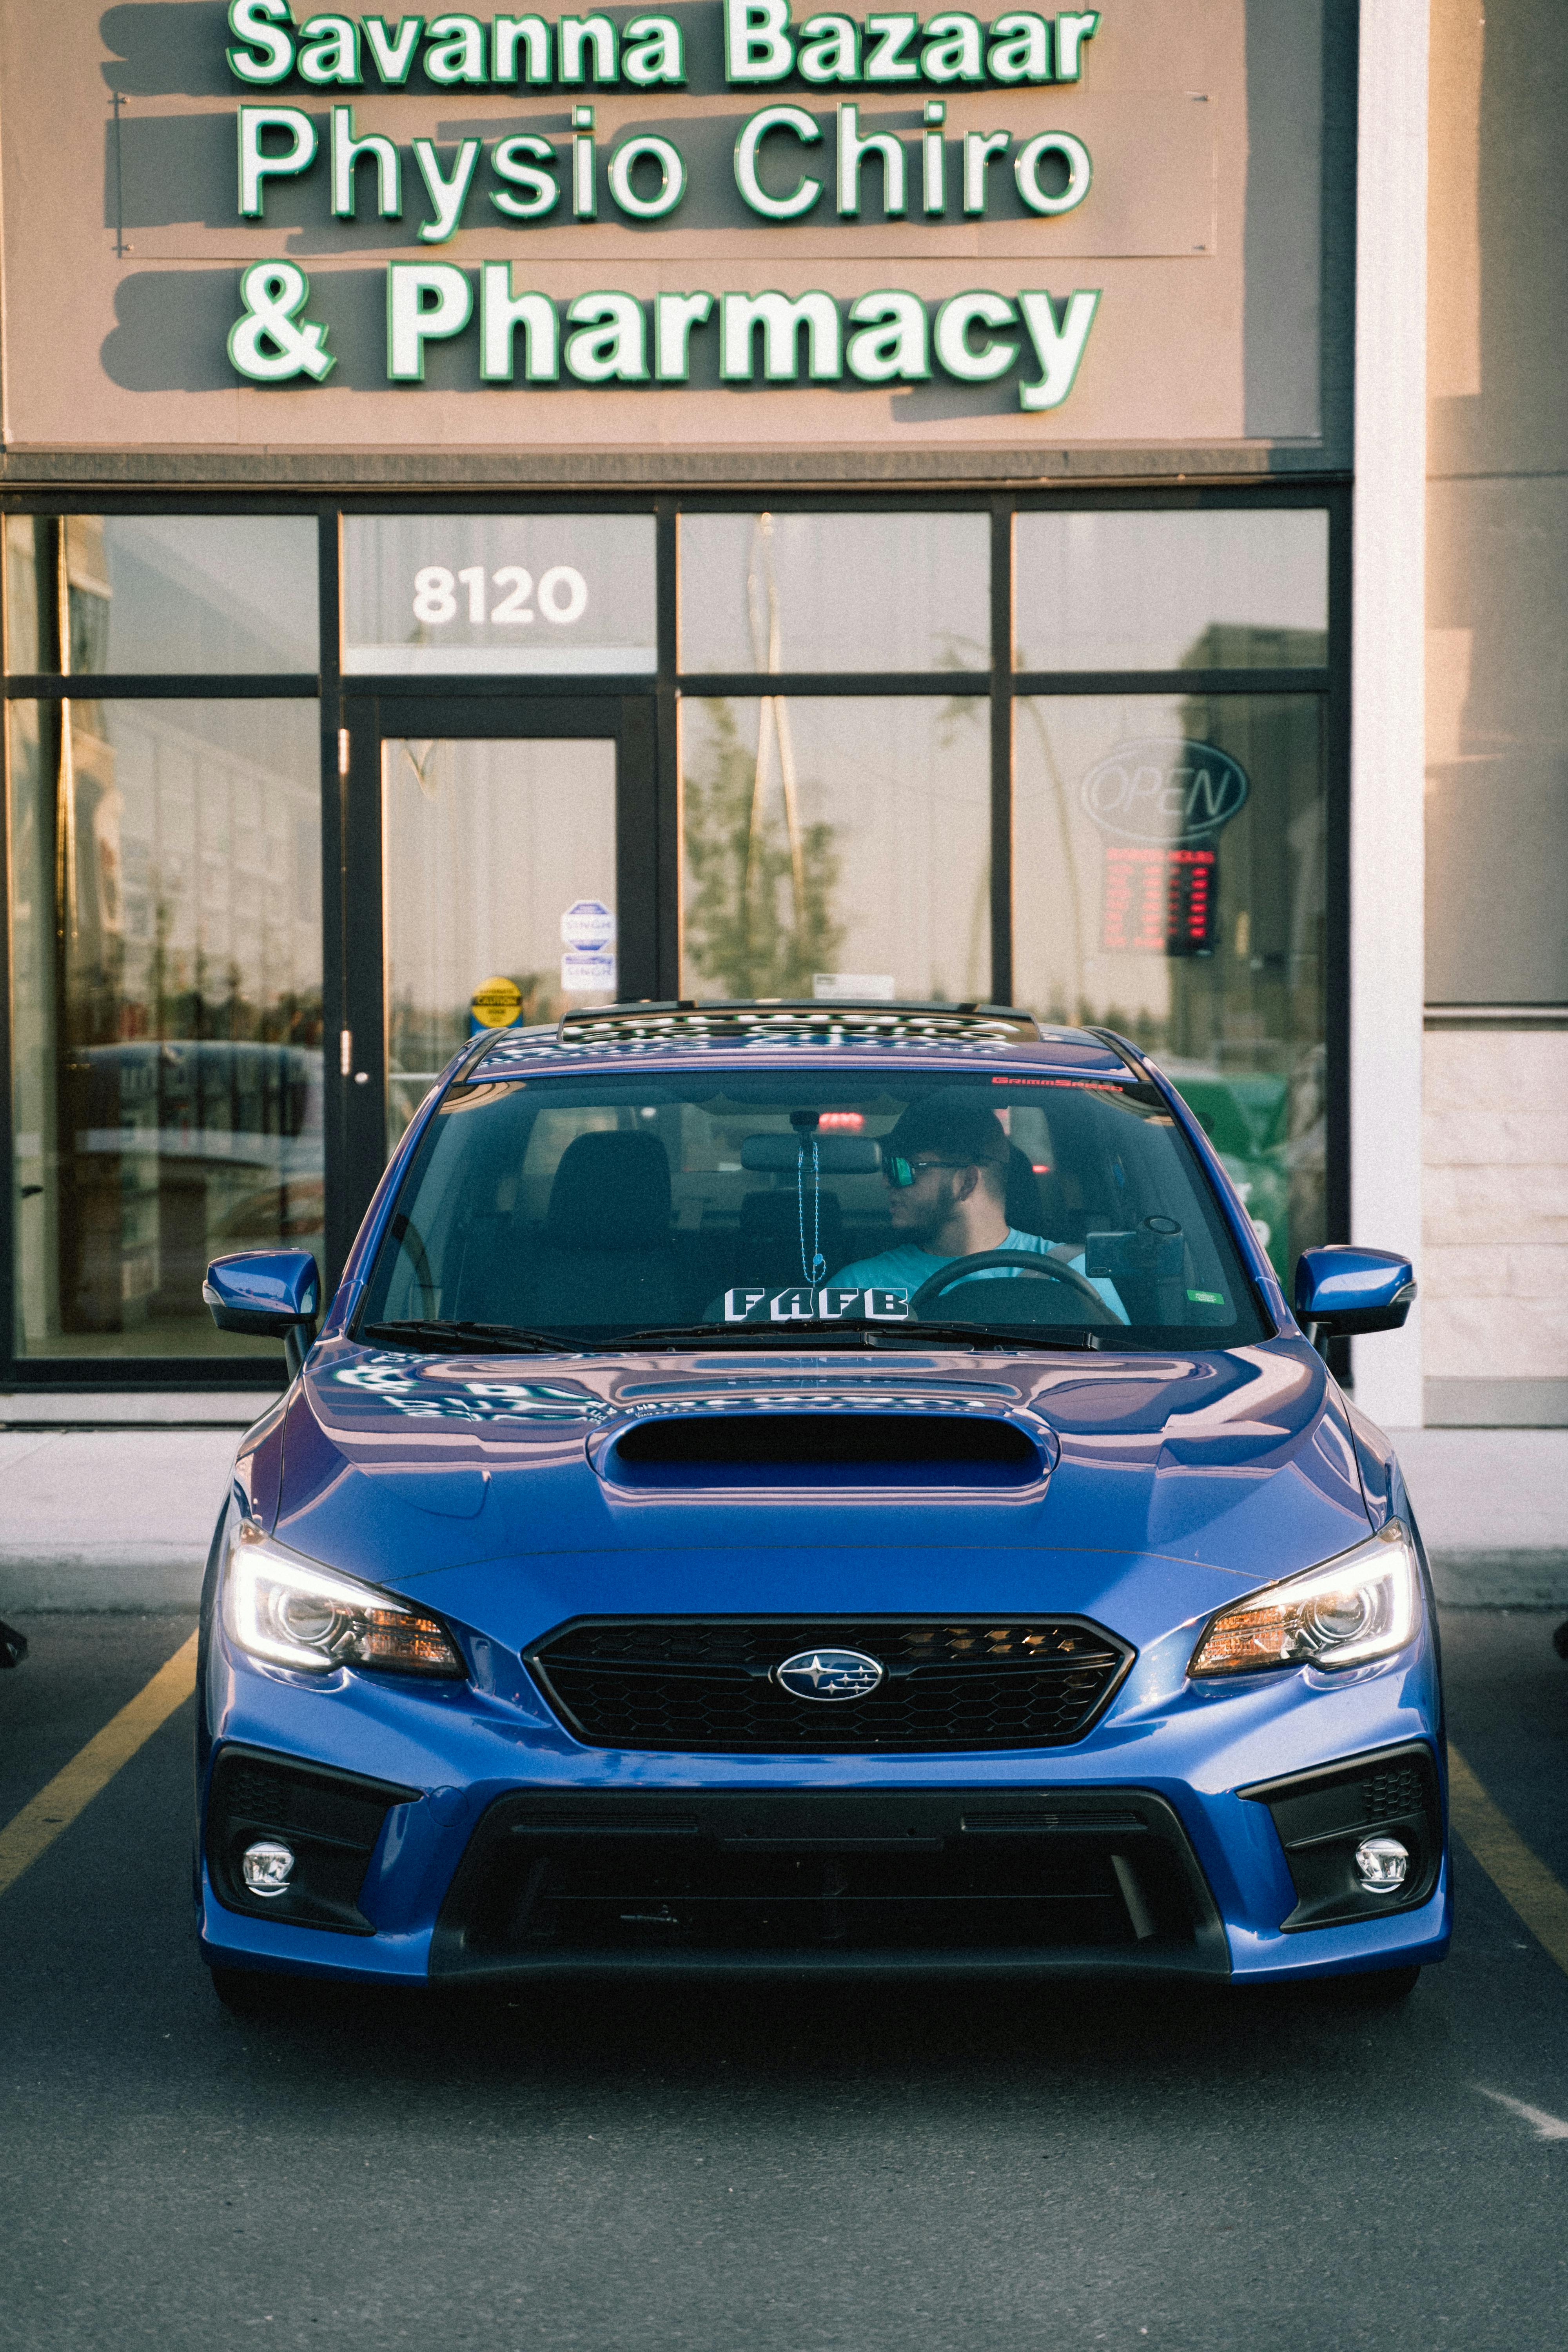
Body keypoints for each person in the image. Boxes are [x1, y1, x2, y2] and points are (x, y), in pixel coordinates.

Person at [830, 1097, 1126, 1321]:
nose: (885, 1183)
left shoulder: (1071, 1274)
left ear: (968, 1182)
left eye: (902, 1169)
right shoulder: (858, 1288)